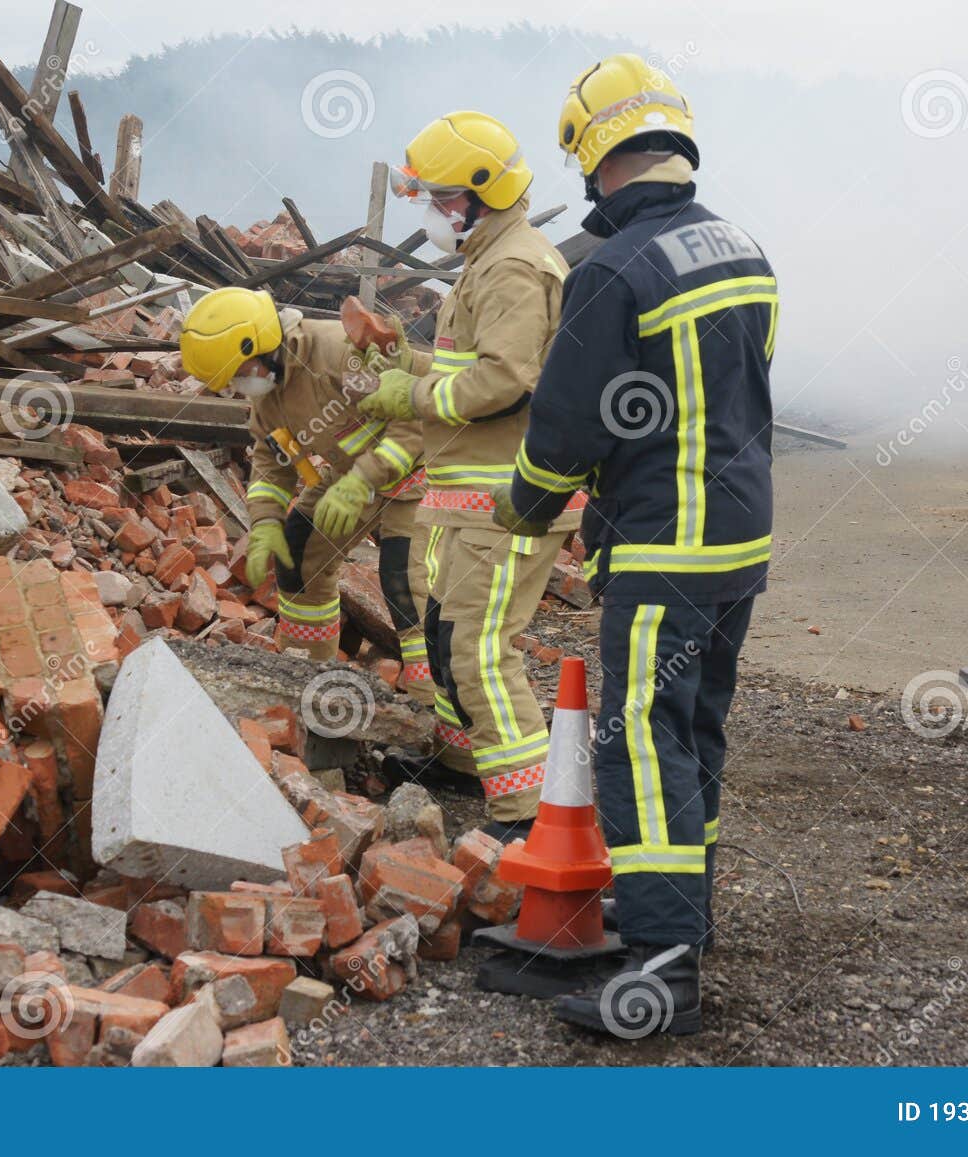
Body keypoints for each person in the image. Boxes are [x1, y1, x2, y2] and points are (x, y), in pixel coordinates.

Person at [491, 54, 780, 1036]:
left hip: (667, 551)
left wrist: (522, 509)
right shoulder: (742, 247)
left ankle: (660, 974)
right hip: (740, 542)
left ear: (590, 153)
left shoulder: (610, 267)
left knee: (642, 751)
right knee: (691, 737)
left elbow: (566, 427)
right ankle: (680, 921)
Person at [359, 111, 581, 841]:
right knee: (448, 632)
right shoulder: (488, 259)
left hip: (507, 501)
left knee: (483, 652)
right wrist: (405, 361)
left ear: (481, 194)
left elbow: (506, 378)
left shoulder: (516, 265)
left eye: (442, 197)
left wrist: (412, 396)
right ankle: (464, 763)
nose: (433, 211)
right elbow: (465, 369)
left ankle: (532, 816)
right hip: (468, 499)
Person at [180, 287, 432, 686]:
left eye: (240, 375)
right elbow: (271, 458)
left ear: (261, 347)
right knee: (298, 558)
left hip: (424, 468)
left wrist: (364, 478)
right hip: (354, 476)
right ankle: (307, 677)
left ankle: (436, 713)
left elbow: (413, 416)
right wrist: (264, 521)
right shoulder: (272, 390)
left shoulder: (338, 354)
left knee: (406, 587)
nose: (238, 388)